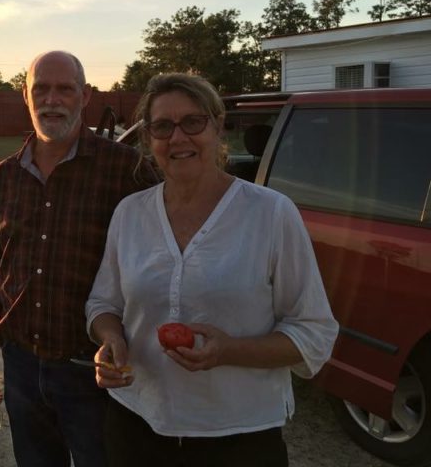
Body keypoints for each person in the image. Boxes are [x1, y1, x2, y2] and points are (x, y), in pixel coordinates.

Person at [85, 73, 338, 467]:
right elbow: (103, 302)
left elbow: (314, 333)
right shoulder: (130, 213)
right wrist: (110, 340)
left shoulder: (270, 213)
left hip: (239, 437)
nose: (178, 138)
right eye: (163, 126)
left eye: (193, 121)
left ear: (218, 126)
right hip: (137, 424)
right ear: (149, 138)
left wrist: (231, 350)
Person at [0, 50, 159, 467]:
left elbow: (162, 265)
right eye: (41, 88)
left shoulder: (127, 171)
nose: (51, 100)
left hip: (94, 373)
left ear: (85, 95)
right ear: (25, 95)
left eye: (64, 89)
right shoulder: (2, 179)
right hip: (21, 368)